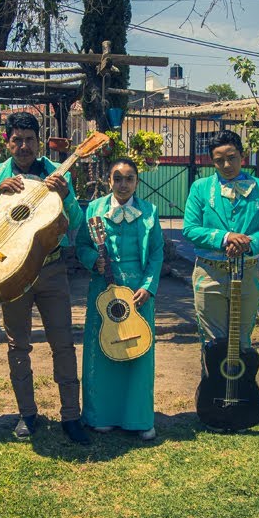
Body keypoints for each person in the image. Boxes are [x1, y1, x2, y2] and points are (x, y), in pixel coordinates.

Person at [0, 111, 89, 444]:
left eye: (30, 140)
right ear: (7, 143)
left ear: (39, 142)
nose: (24, 146)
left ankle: (71, 417)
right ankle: (27, 414)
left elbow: (76, 220)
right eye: (17, 140)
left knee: (63, 344)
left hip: (51, 270)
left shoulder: (56, 173)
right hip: (12, 272)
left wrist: (64, 196)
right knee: (18, 345)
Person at [75, 158, 164, 440]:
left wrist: (148, 287)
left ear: (137, 181)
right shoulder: (95, 209)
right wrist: (93, 261)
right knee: (102, 350)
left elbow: (157, 253)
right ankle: (101, 415)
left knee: (139, 351)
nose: (123, 184)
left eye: (129, 178)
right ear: (108, 180)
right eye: (117, 178)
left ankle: (138, 418)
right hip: (104, 290)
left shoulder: (149, 211)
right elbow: (82, 245)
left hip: (139, 293)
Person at [182, 130, 259, 388]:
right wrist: (225, 237)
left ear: (243, 156)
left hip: (249, 272)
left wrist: (249, 243)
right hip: (209, 273)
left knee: (242, 338)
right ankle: (211, 397)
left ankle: (241, 396)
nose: (226, 165)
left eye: (232, 157)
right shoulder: (201, 188)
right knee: (212, 341)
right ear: (211, 162)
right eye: (218, 160)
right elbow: (190, 228)